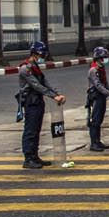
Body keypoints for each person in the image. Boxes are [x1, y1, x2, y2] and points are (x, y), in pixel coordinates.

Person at [17, 40, 63, 169]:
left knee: (37, 130)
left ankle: (35, 156)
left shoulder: (35, 67)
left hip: (38, 101)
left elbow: (45, 82)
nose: (42, 58)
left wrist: (57, 93)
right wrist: (54, 96)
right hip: (31, 102)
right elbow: (36, 86)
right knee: (30, 131)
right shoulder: (25, 69)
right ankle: (28, 158)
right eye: (41, 55)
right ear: (34, 54)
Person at [86, 45, 109, 151]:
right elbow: (98, 86)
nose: (105, 59)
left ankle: (98, 141)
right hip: (96, 97)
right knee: (95, 121)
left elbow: (105, 83)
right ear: (98, 58)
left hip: (102, 96)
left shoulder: (101, 69)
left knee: (99, 120)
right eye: (103, 57)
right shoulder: (93, 70)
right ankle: (93, 143)